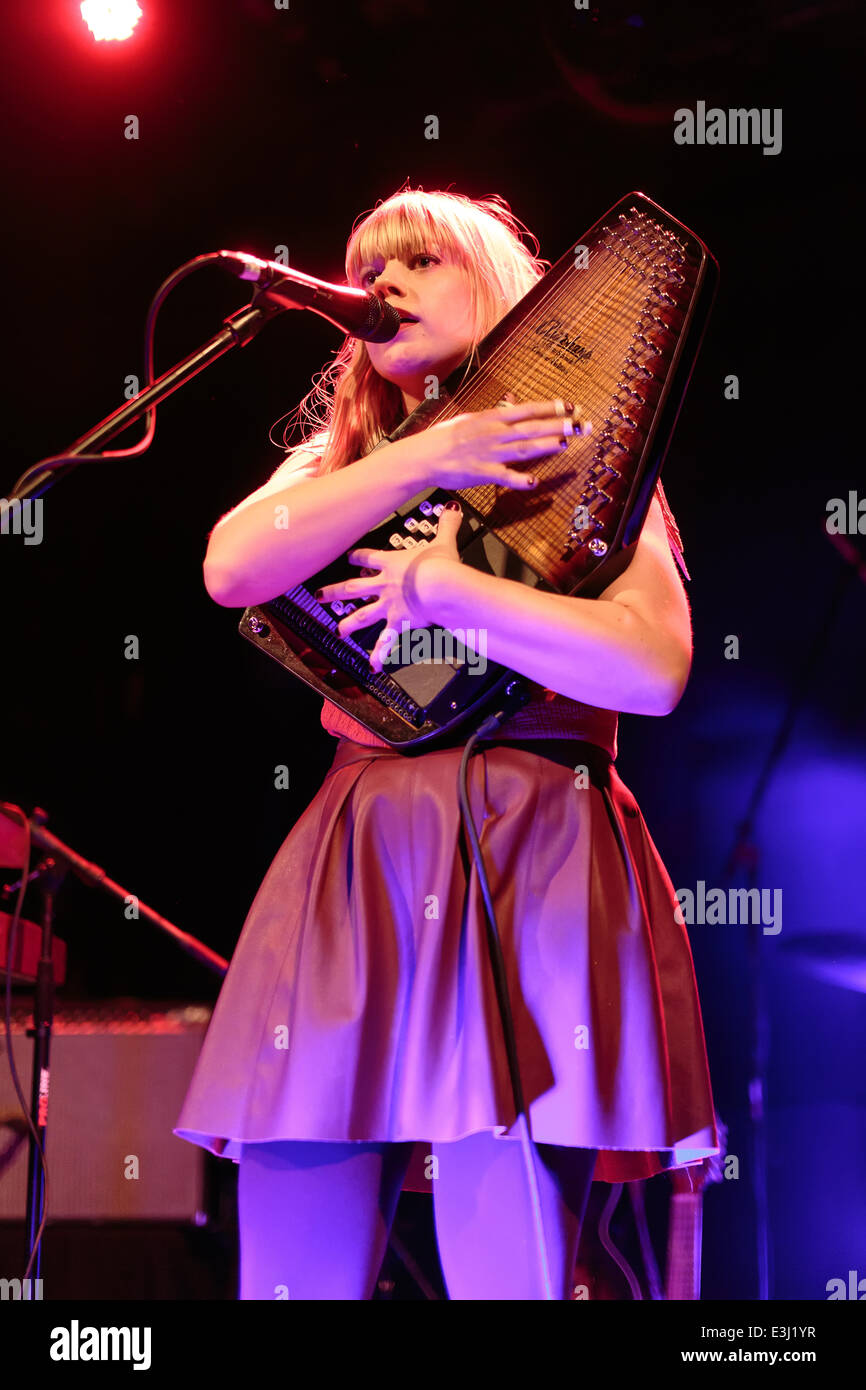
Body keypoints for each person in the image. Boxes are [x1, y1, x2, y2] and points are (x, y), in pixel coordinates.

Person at [173, 186, 719, 1300]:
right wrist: (421, 461)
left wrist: (451, 593)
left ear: (509, 293)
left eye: (422, 259)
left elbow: (652, 672)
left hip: (531, 843)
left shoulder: (589, 463)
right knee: (293, 1244)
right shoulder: (341, 465)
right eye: (369, 266)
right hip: (356, 852)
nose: (385, 284)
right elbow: (232, 566)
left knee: (505, 1257)